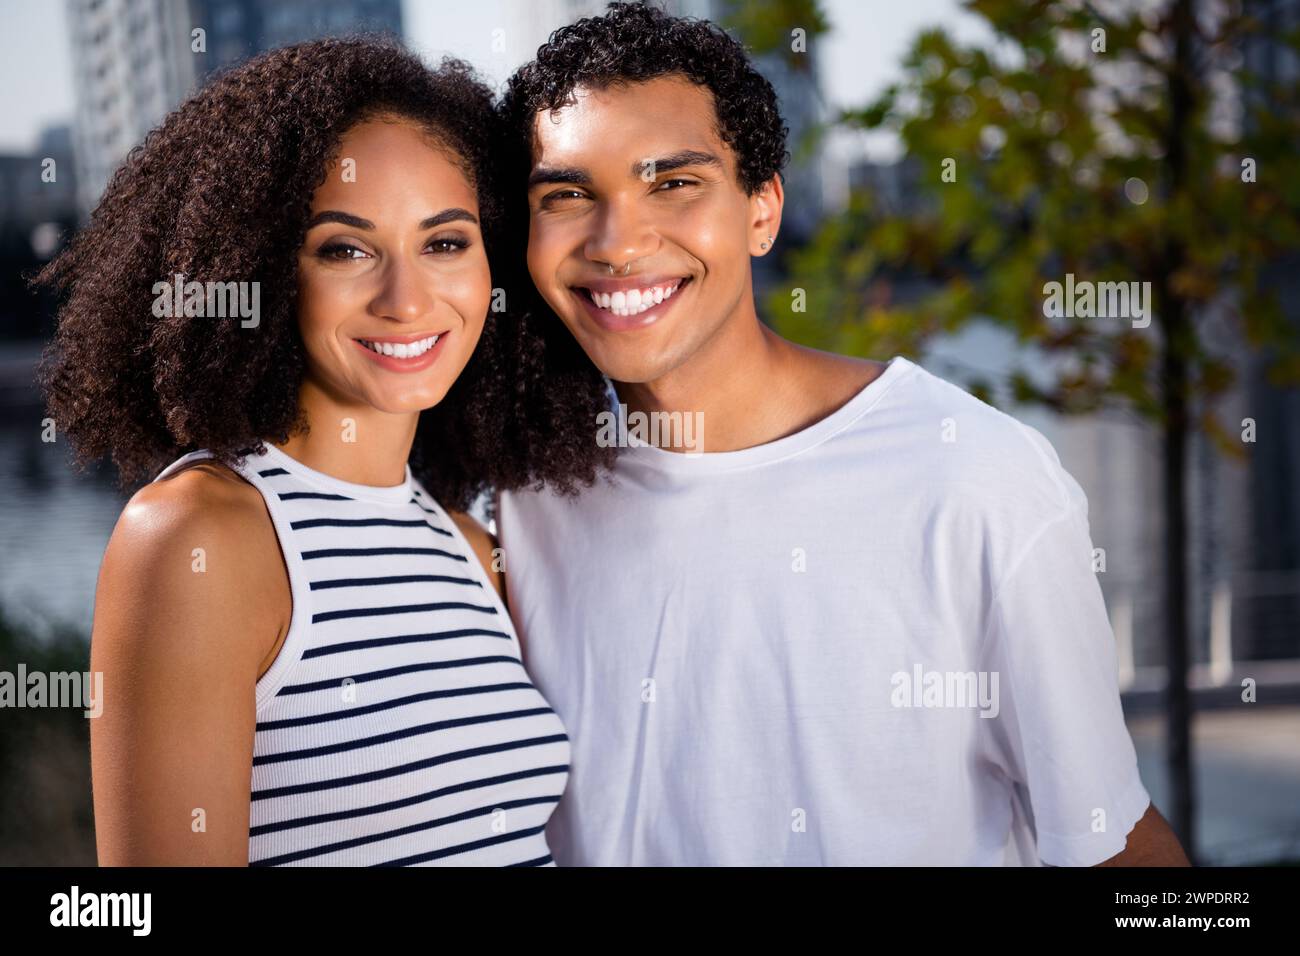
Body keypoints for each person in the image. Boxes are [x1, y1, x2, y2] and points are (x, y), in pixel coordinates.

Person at [494, 2, 1190, 866]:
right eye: (568, 195)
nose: (617, 240)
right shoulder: (520, 503)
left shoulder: (976, 478)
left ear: (761, 209)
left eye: (673, 183)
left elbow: (1114, 849)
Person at [37, 37, 610, 866]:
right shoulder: (200, 538)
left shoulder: (473, 550)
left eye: (445, 242)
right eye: (345, 249)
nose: (407, 298)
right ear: (267, 272)